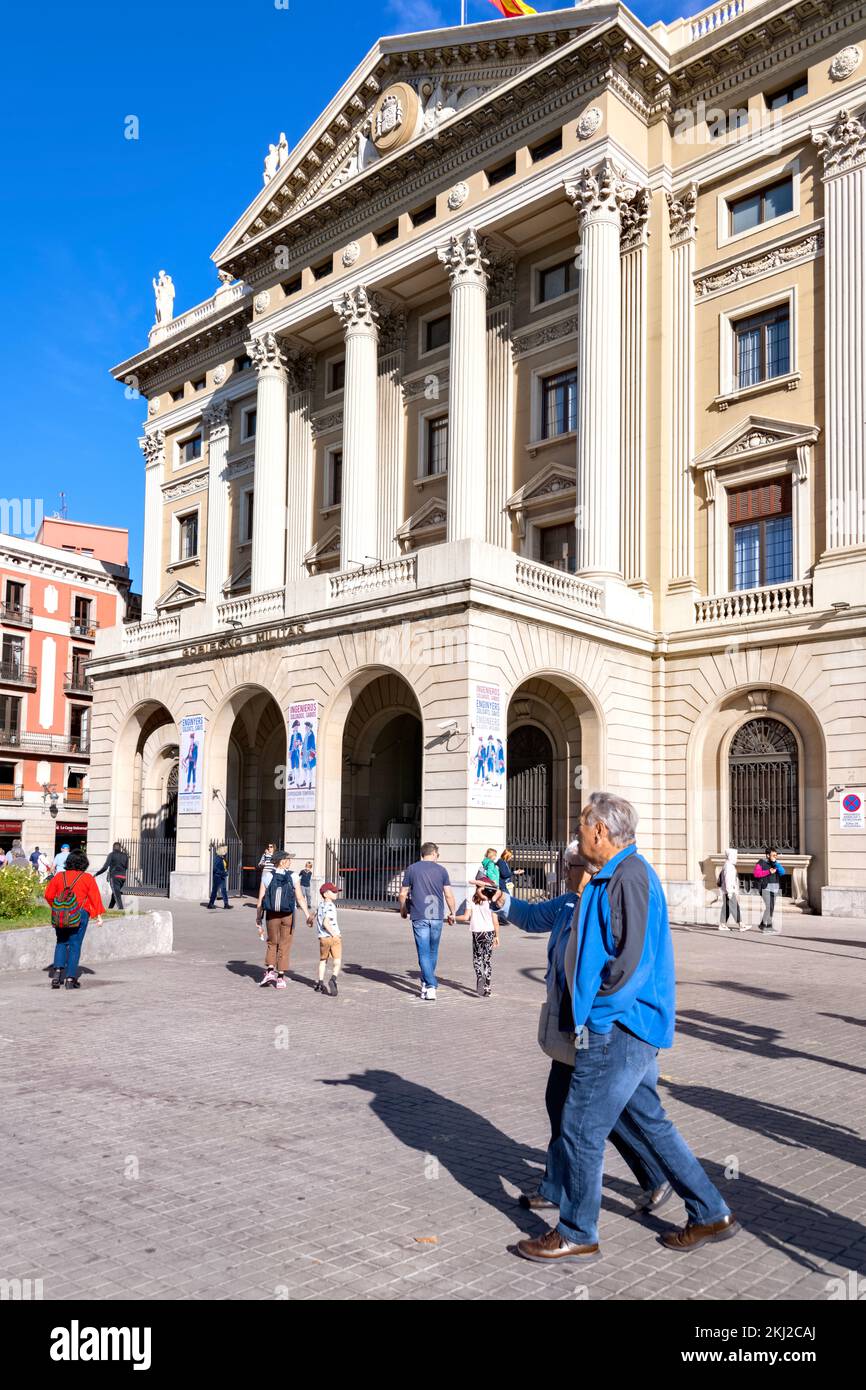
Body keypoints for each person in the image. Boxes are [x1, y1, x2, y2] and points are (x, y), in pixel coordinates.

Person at [496, 792, 738, 1263]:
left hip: (619, 1030)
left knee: (581, 1126)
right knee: (651, 1123)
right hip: (622, 1029)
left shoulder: (628, 876)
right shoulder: (612, 877)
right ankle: (711, 1211)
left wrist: (596, 1018)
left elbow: (627, 965)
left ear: (601, 832)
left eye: (582, 828)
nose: (577, 836)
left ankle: (577, 1230)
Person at [499, 847, 673, 1217]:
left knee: (608, 1111)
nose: (564, 871)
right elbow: (530, 916)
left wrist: (598, 1018)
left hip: (598, 1027)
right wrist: (500, 899)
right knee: (569, 1104)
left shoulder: (602, 904)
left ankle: (665, 1183)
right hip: (571, 1023)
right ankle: (559, 1187)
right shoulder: (566, 904)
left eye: (571, 865)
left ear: (591, 868)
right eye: (564, 865)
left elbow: (622, 965)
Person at [399, 842, 456, 1002]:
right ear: (434, 853)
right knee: (432, 951)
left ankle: (429, 985)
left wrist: (403, 909)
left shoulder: (412, 869)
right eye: (438, 855)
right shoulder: (442, 870)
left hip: (419, 914)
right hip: (436, 915)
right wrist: (452, 912)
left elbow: (403, 893)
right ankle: (428, 983)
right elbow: (449, 894)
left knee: (423, 952)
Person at [44, 850, 104, 990]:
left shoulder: (59, 876)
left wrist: (58, 907)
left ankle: (57, 974)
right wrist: (98, 916)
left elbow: (48, 894)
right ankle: (70, 979)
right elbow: (95, 898)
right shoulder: (87, 878)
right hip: (80, 913)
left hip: (61, 914)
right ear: (84, 863)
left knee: (61, 942)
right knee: (75, 944)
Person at [256, 849, 304, 989]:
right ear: (282, 861)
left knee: (272, 942)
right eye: (288, 859)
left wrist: (258, 917)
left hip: (271, 914)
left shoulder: (267, 876)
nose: (290, 861)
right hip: (288, 915)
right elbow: (300, 897)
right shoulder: (294, 876)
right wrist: (307, 914)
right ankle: (281, 978)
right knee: (285, 944)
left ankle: (270, 971)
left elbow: (260, 899)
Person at [454, 879, 500, 997]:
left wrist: (453, 917)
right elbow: (495, 921)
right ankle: (487, 988)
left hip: (477, 932)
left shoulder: (472, 899)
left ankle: (480, 976)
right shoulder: (490, 901)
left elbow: (465, 917)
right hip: (489, 932)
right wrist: (497, 936)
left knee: (477, 958)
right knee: (487, 960)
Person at [309, 881, 342, 995]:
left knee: (323, 960)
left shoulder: (321, 905)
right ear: (326, 894)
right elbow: (326, 922)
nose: (336, 893)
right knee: (337, 961)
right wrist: (335, 934)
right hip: (332, 937)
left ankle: (320, 983)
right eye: (333, 892)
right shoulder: (331, 906)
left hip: (323, 938)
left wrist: (310, 920)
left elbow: (313, 914)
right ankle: (333, 979)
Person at [754, 847, 786, 934]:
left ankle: (765, 925)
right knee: (769, 907)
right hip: (765, 888)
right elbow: (756, 874)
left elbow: (783, 872)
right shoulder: (761, 863)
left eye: (776, 855)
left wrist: (775, 863)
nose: (775, 857)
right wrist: (768, 871)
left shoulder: (776, 863)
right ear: (768, 855)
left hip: (774, 888)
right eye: (773, 855)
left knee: (771, 908)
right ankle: (766, 926)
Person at [93, 841, 129, 911]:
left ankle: (121, 909)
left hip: (114, 877)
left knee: (117, 894)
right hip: (123, 877)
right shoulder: (125, 855)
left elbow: (105, 867)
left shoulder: (111, 855)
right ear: (120, 848)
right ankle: (110, 908)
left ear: (113, 848)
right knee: (115, 893)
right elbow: (126, 867)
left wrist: (97, 874)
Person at [718, 848, 744, 932]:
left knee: (727, 907)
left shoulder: (728, 865)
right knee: (735, 907)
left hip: (727, 890)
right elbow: (728, 879)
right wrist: (730, 892)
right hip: (729, 890)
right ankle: (741, 924)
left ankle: (722, 924)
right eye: (735, 856)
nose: (736, 858)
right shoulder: (729, 866)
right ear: (731, 856)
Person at [206, 844, 232, 910]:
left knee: (223, 890)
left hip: (222, 876)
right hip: (217, 876)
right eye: (225, 850)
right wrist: (222, 872)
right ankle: (210, 904)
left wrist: (225, 871)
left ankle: (226, 904)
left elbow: (224, 866)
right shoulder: (217, 858)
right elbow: (214, 868)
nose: (226, 851)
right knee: (215, 890)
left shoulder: (222, 858)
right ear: (222, 850)